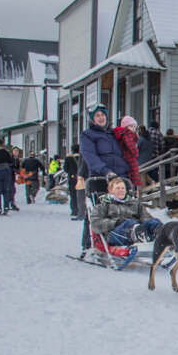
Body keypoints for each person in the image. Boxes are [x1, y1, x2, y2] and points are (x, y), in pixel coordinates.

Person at [79, 104, 129, 256]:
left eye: (103, 114)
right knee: (97, 213)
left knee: (123, 211)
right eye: (97, 116)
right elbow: (90, 157)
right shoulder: (88, 135)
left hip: (119, 179)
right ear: (93, 120)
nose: (101, 118)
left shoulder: (114, 134)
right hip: (99, 178)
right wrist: (106, 171)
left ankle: (120, 241)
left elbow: (124, 153)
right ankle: (89, 244)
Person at [88, 176, 162, 246]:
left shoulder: (134, 203)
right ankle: (135, 232)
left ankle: (161, 235)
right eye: (117, 188)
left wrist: (143, 223)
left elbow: (146, 217)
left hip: (138, 228)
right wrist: (116, 222)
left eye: (123, 188)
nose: (121, 190)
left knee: (153, 222)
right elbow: (96, 223)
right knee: (128, 223)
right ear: (110, 191)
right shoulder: (103, 205)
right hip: (116, 232)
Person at [113, 116, 142, 187]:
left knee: (132, 171)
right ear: (126, 127)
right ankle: (135, 184)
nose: (133, 129)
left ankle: (134, 184)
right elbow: (130, 144)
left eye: (135, 127)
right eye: (131, 126)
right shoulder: (127, 133)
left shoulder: (125, 133)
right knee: (134, 170)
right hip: (129, 155)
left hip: (125, 155)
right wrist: (136, 152)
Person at [63, 143, 83, 220]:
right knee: (81, 194)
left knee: (73, 194)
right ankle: (81, 209)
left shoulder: (68, 158)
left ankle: (74, 210)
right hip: (81, 178)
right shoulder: (82, 157)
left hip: (72, 178)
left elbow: (66, 169)